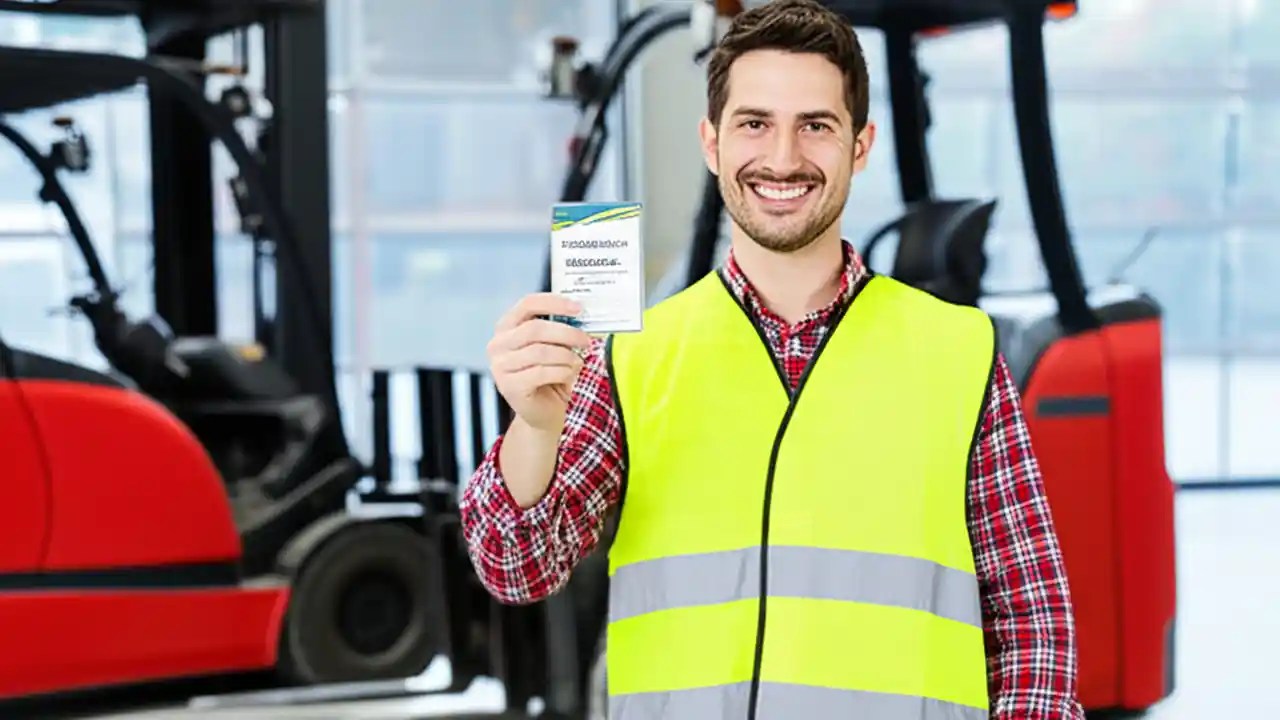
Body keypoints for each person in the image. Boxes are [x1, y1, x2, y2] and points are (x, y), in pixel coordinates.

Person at [461, 1, 1086, 718]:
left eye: (815, 126)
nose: (783, 158)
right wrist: (534, 430)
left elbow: (1032, 618)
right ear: (711, 143)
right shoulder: (632, 357)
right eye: (755, 123)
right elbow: (517, 568)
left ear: (859, 144)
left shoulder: (959, 352)